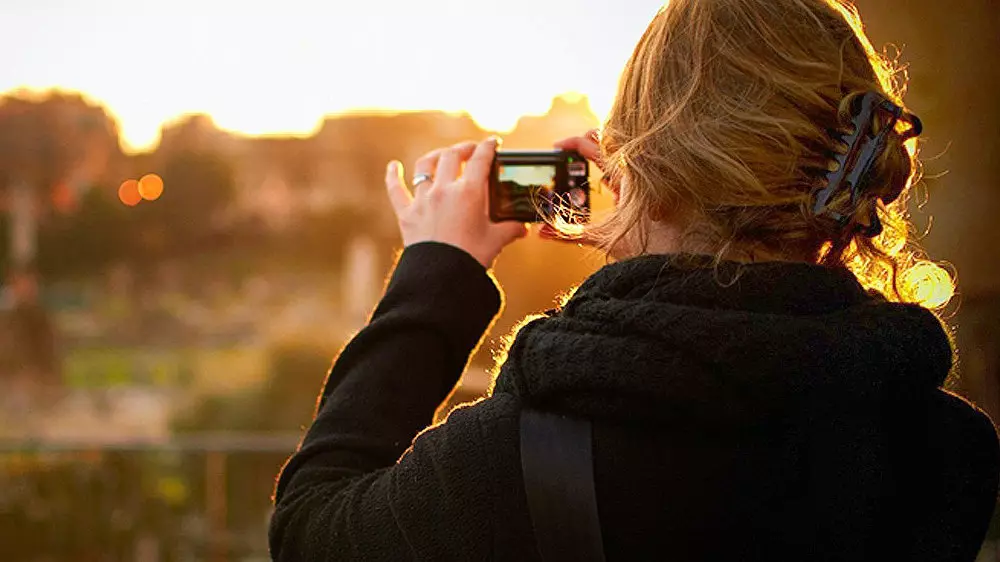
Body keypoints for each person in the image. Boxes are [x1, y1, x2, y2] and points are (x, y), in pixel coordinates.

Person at [269, 0, 1000, 560]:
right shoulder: (949, 452)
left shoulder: (521, 455)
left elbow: (310, 527)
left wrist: (440, 270)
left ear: (646, 166)